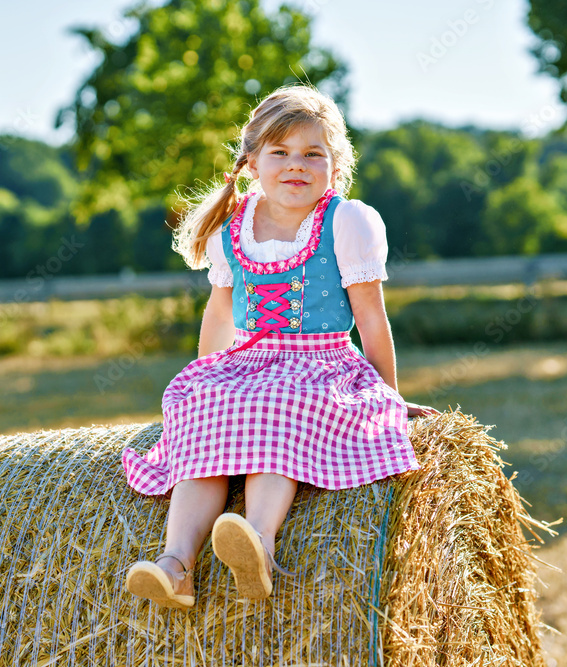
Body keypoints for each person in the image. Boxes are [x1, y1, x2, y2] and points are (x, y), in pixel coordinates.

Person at [122, 83, 439, 611]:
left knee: (279, 409)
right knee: (203, 411)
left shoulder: (345, 221)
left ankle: (259, 549)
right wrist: (208, 380)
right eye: (281, 153)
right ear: (252, 162)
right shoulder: (232, 226)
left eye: (313, 154)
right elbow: (220, 313)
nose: (297, 165)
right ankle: (175, 565)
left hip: (322, 365)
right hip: (249, 363)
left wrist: (388, 398)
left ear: (335, 165)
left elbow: (370, 318)